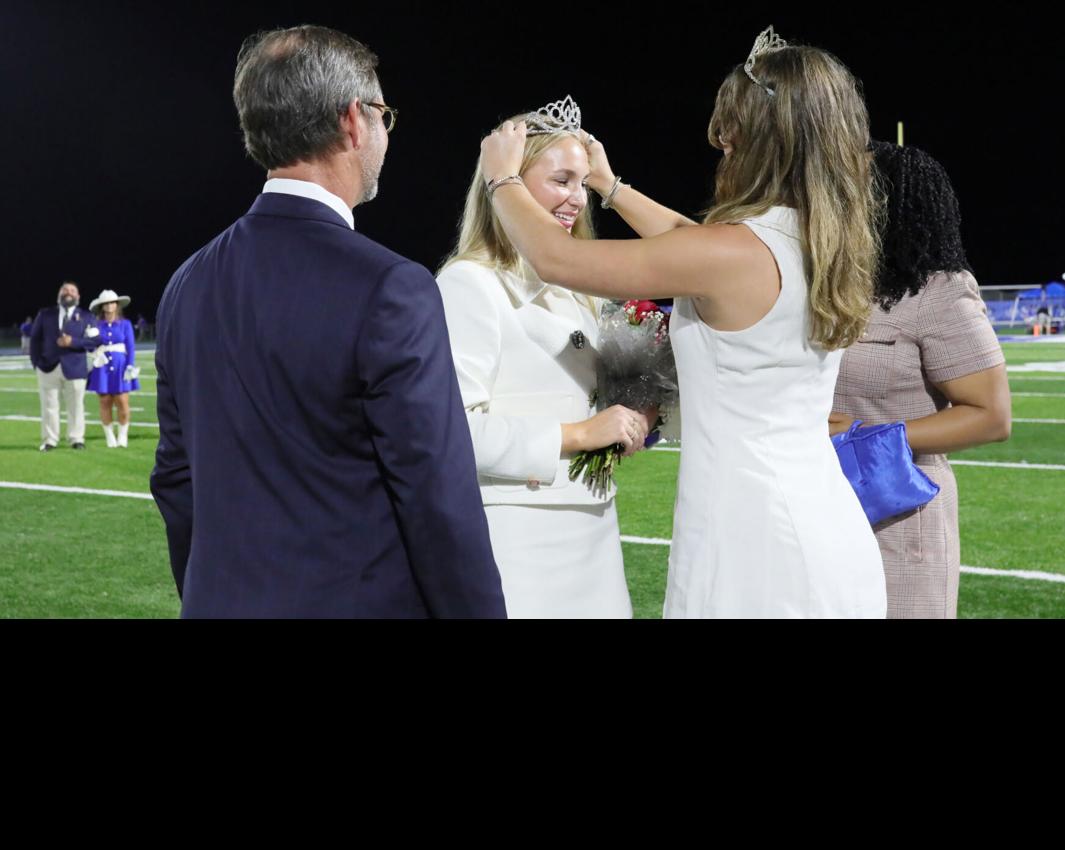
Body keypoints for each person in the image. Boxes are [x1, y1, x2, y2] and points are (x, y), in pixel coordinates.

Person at [477, 27, 884, 618]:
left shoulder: (734, 252)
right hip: (822, 519)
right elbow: (686, 239)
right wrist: (609, 186)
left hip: (754, 536)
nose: (724, 152)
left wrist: (501, 178)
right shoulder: (814, 239)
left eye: (732, 140)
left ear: (763, 143)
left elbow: (557, 259)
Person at [150, 24, 505, 618]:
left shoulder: (187, 282)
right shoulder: (390, 286)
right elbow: (437, 499)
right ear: (353, 120)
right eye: (384, 116)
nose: (386, 135)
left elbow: (176, 482)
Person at [435, 98, 651, 618]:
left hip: (595, 531)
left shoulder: (583, 292)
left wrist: (639, 417)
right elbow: (452, 430)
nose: (577, 198)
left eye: (583, 183)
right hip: (518, 538)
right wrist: (579, 435)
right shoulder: (468, 283)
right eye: (561, 180)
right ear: (507, 182)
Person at [829, 143, 1009, 618]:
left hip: (900, 518)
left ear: (892, 205)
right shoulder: (827, 284)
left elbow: (991, 415)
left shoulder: (939, 291)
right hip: (823, 505)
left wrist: (869, 438)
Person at [27, 282, 93, 450]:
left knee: (76, 406)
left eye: (72, 290)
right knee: (48, 406)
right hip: (47, 367)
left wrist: (73, 342)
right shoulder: (45, 314)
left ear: (78, 296)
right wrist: (36, 363)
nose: (68, 292)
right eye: (64, 290)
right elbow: (35, 340)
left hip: (76, 368)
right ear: (59, 295)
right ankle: (50, 440)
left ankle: (76, 438)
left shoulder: (86, 316)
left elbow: (94, 341)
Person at [85, 289, 139, 448]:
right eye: (106, 303)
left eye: (112, 302)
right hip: (101, 366)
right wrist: (92, 343)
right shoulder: (95, 325)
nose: (109, 305)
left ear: (117, 305)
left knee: (122, 401)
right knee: (105, 401)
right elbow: (89, 347)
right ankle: (109, 437)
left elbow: (130, 347)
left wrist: (130, 366)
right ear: (102, 306)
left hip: (120, 365)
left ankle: (123, 435)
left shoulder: (125, 324)